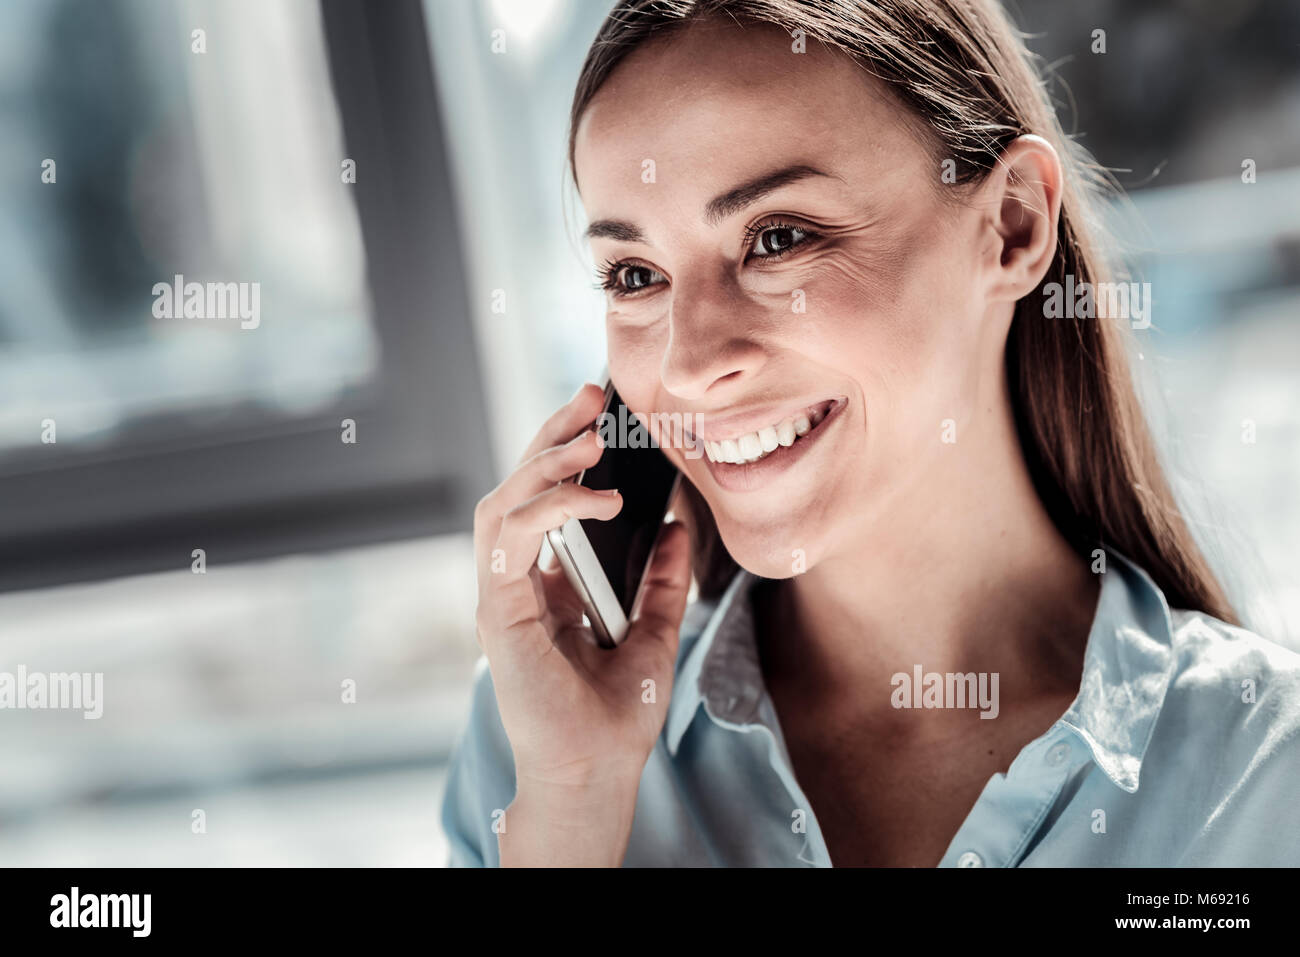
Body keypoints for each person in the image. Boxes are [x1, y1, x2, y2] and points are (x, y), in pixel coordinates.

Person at [443, 0, 1300, 866]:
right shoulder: (537, 740)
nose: (691, 363)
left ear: (1012, 227)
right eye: (635, 275)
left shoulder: (1266, 780)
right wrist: (571, 804)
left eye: (777, 239)